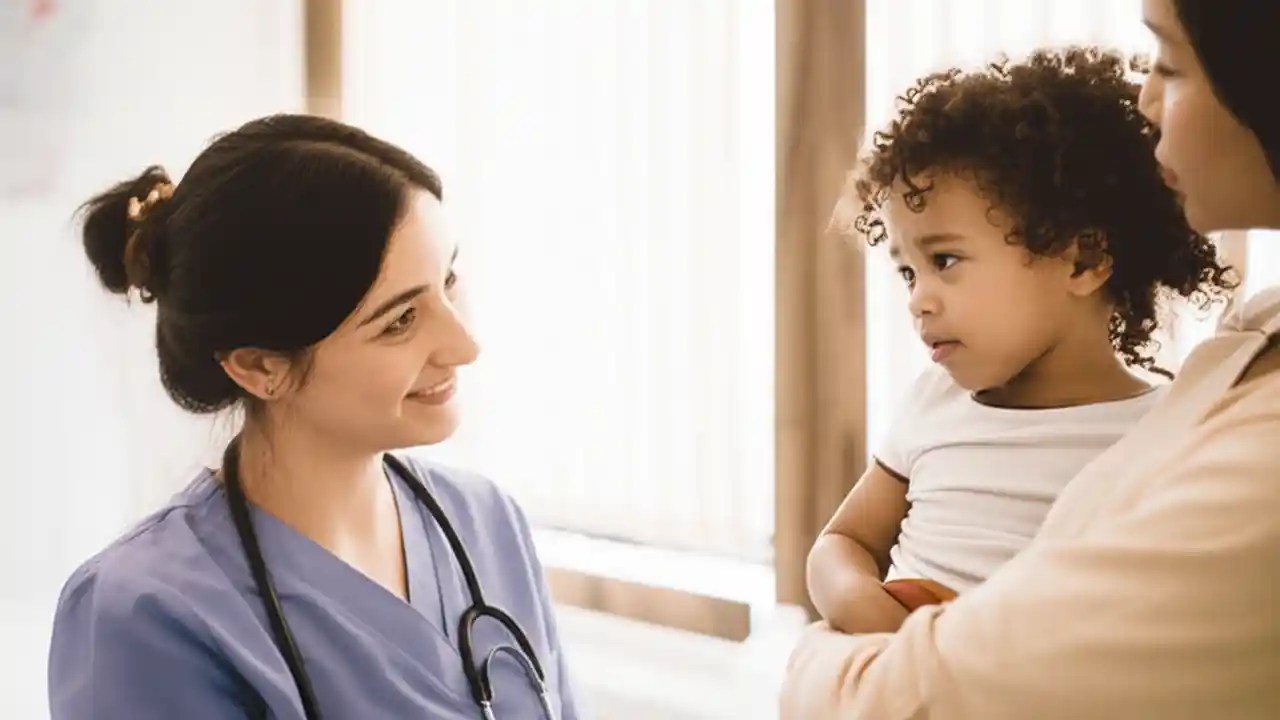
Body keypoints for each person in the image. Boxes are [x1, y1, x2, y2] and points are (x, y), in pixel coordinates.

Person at [782, 0, 1280, 716]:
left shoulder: (1165, 430)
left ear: (1081, 258)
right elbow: (843, 542)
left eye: (946, 260)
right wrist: (874, 617)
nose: (918, 299)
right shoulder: (935, 405)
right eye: (907, 272)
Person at [47, 114, 583, 719]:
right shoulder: (149, 614)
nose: (464, 345)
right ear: (258, 366)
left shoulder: (488, 526)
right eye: (400, 320)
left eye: (448, 279)